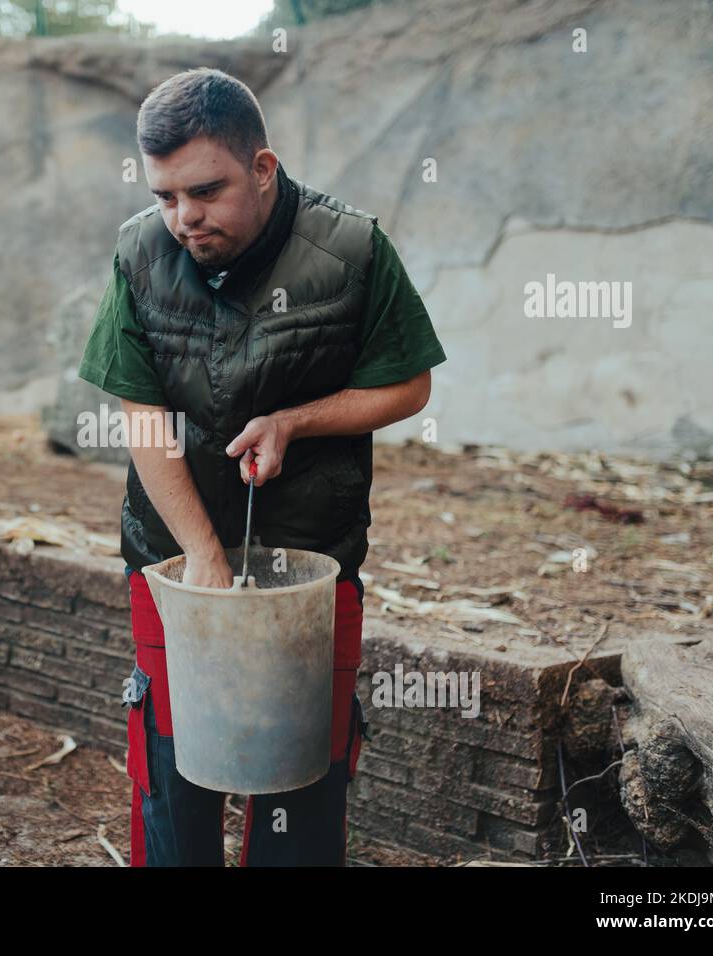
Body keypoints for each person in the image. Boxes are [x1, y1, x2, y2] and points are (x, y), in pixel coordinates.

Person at [76, 67, 447, 866]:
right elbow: (144, 422)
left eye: (205, 191)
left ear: (264, 168)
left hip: (314, 562)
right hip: (170, 563)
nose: (182, 217)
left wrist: (294, 421)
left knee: (302, 793)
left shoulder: (352, 247)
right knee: (171, 781)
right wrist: (202, 561)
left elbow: (409, 384)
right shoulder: (138, 251)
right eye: (166, 195)